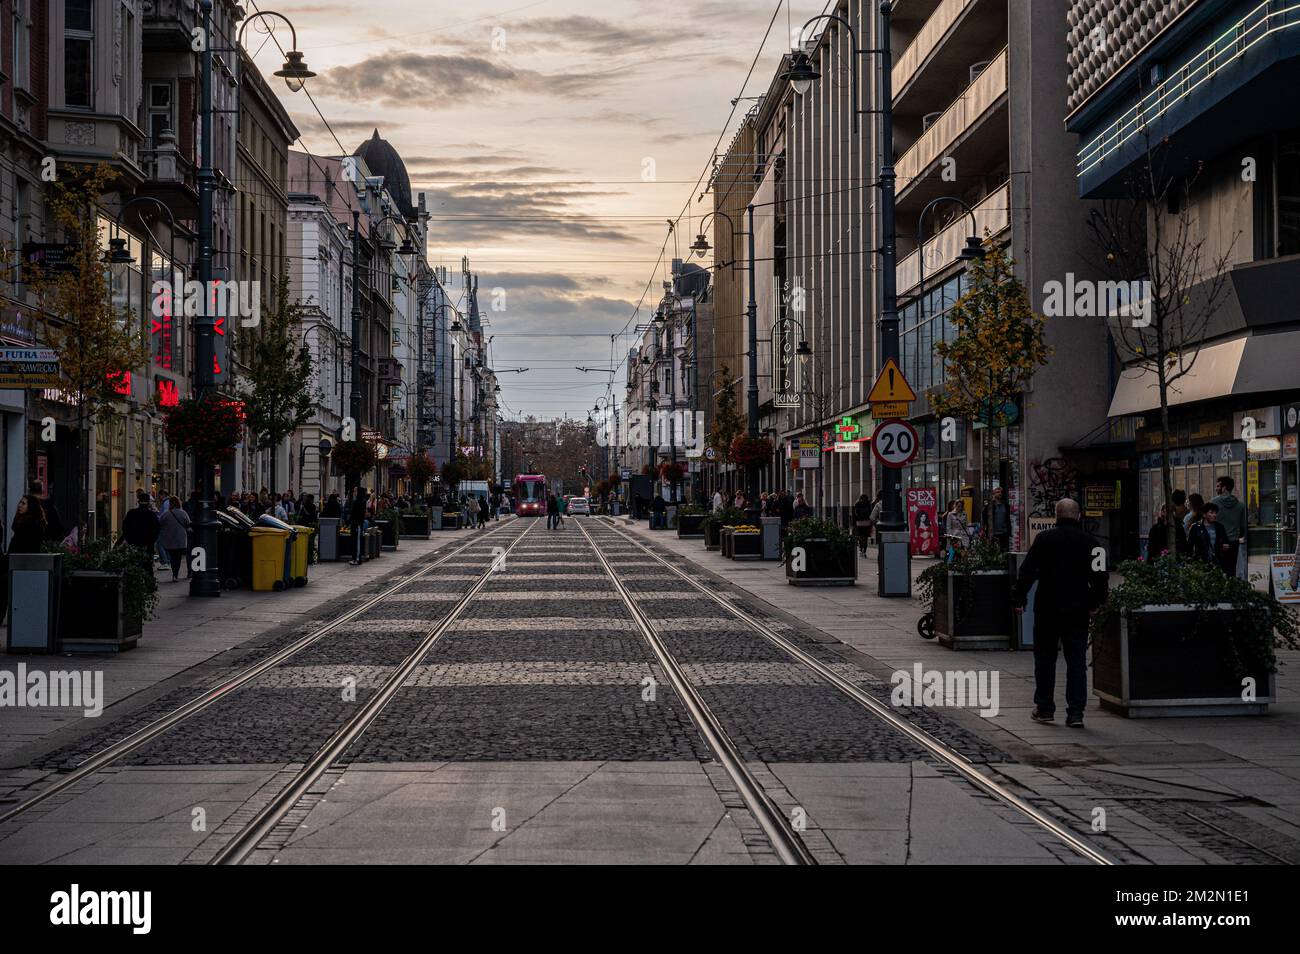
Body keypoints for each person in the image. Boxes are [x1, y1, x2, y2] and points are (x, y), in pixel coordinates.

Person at [1013, 498, 1108, 729]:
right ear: (1078, 516)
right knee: (1076, 661)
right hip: (1077, 610)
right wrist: (1095, 603)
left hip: (1047, 608)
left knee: (1045, 660)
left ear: (1056, 516)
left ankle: (1044, 708)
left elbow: (1027, 571)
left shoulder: (1044, 540)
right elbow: (1100, 578)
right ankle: (1076, 713)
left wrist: (1019, 598)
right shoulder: (1094, 544)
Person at [1210, 476, 1247, 579]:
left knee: (1219, 570)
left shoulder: (1214, 502)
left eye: (1218, 486)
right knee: (1232, 570)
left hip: (1218, 541)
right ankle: (1231, 590)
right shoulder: (1241, 505)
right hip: (1234, 542)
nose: (1216, 489)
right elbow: (1242, 526)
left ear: (1224, 488)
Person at [121, 490, 160, 573]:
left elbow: (125, 527)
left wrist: (129, 539)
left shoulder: (131, 513)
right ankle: (148, 584)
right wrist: (151, 541)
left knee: (133, 565)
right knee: (148, 567)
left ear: (138, 502)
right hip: (147, 545)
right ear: (148, 503)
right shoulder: (151, 515)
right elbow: (157, 530)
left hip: (134, 543)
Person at [1188, 502, 1232, 574]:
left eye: (1215, 513)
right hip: (1201, 563)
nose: (1214, 515)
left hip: (1218, 563)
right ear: (1204, 514)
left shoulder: (1220, 527)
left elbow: (1226, 541)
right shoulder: (1195, 527)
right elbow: (1189, 546)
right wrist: (1190, 562)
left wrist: (1226, 545)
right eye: (1211, 512)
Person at [158, 496, 191, 581]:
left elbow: (160, 523)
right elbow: (188, 524)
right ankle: (175, 574)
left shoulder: (166, 514)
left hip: (170, 539)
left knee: (173, 557)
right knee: (178, 557)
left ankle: (174, 573)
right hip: (181, 539)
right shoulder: (183, 513)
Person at [983, 486, 1012, 552]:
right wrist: (986, 530)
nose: (1000, 493)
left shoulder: (1006, 505)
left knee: (1004, 551)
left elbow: (1008, 518)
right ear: (994, 494)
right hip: (993, 532)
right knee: (993, 552)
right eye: (998, 492)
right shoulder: (990, 506)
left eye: (1001, 492)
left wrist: (1009, 531)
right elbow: (985, 518)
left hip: (1004, 532)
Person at [347, 487, 369, 564]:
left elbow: (355, 513)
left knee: (357, 541)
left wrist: (349, 521)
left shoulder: (359, 501)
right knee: (354, 540)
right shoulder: (358, 501)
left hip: (357, 523)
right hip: (355, 523)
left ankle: (357, 558)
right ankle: (354, 558)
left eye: (355, 491)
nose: (354, 493)